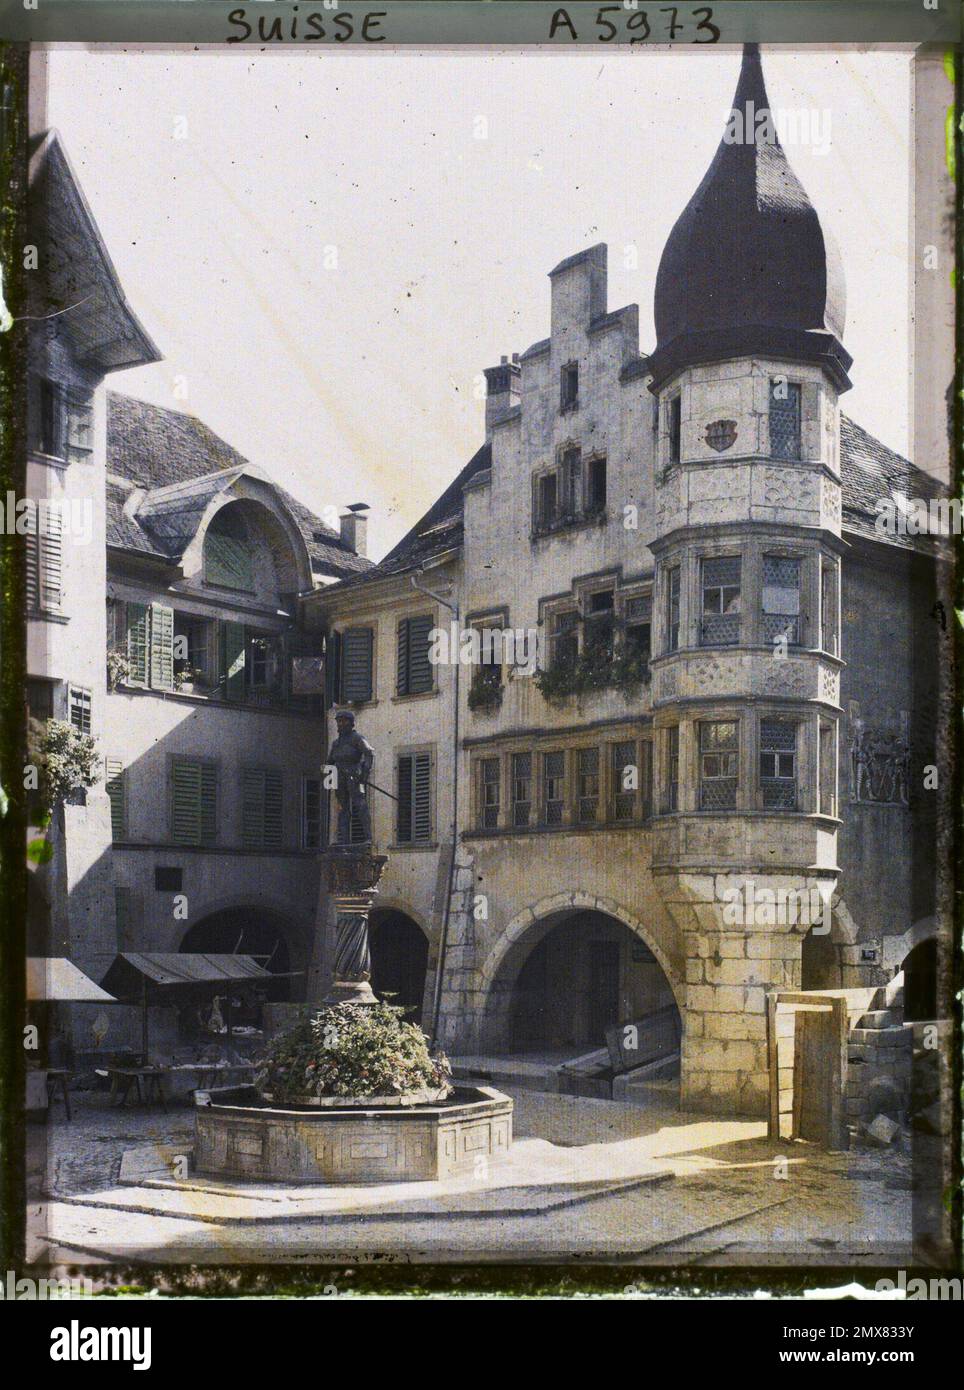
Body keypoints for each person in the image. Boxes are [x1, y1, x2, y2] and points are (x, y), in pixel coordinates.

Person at [327, 710, 373, 843]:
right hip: (339, 776)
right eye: (338, 721)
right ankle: (344, 840)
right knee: (342, 808)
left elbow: (369, 753)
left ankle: (368, 838)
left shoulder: (357, 738)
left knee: (360, 805)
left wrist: (364, 773)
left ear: (351, 723)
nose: (340, 724)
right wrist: (326, 773)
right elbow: (330, 760)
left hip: (354, 774)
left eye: (343, 721)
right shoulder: (336, 743)